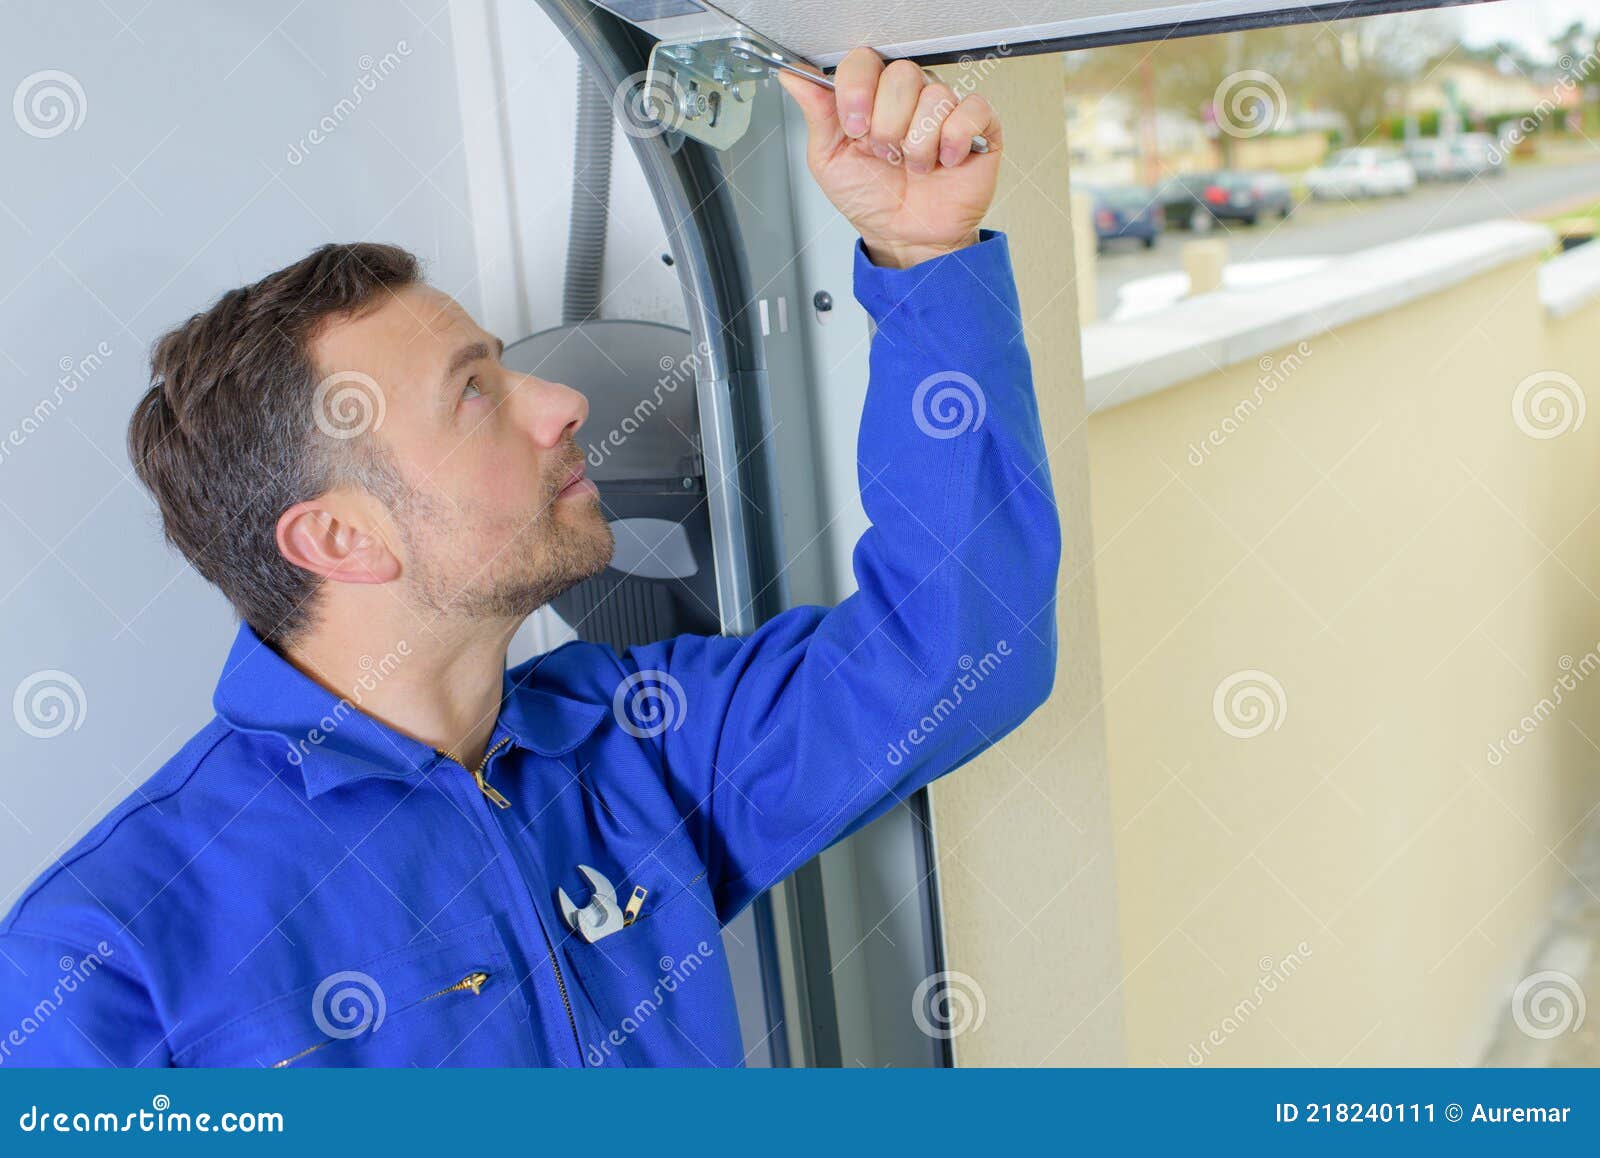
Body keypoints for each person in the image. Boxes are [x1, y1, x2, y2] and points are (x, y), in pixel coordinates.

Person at [0, 48, 1059, 1067]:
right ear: (341, 538)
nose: (560, 402)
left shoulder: (635, 739)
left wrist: (924, 255)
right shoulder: (106, 957)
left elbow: (960, 644)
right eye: (474, 393)